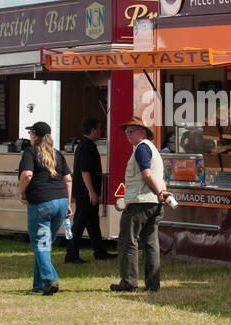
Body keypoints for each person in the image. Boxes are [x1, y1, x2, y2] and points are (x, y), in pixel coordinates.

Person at [110, 114, 170, 293]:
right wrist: (161, 194)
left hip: (139, 202)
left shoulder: (141, 149)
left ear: (142, 132)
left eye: (131, 131)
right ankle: (153, 285)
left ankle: (128, 283)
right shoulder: (153, 149)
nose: (127, 134)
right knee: (151, 244)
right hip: (154, 203)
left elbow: (147, 174)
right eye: (126, 131)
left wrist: (159, 192)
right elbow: (160, 177)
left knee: (128, 242)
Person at [17, 120, 72, 296]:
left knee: (41, 244)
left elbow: (27, 174)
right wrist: (68, 203)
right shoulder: (57, 154)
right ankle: (39, 285)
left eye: (30, 134)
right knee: (45, 244)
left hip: (41, 203)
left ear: (34, 135)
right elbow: (68, 179)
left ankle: (50, 279)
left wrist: (21, 192)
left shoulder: (30, 152)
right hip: (61, 201)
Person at [65, 117, 114, 264]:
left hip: (87, 192)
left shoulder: (88, 145)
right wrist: (92, 192)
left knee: (93, 222)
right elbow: (85, 171)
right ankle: (71, 255)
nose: (101, 131)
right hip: (85, 193)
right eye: (99, 128)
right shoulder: (86, 146)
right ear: (92, 130)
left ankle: (99, 251)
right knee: (79, 223)